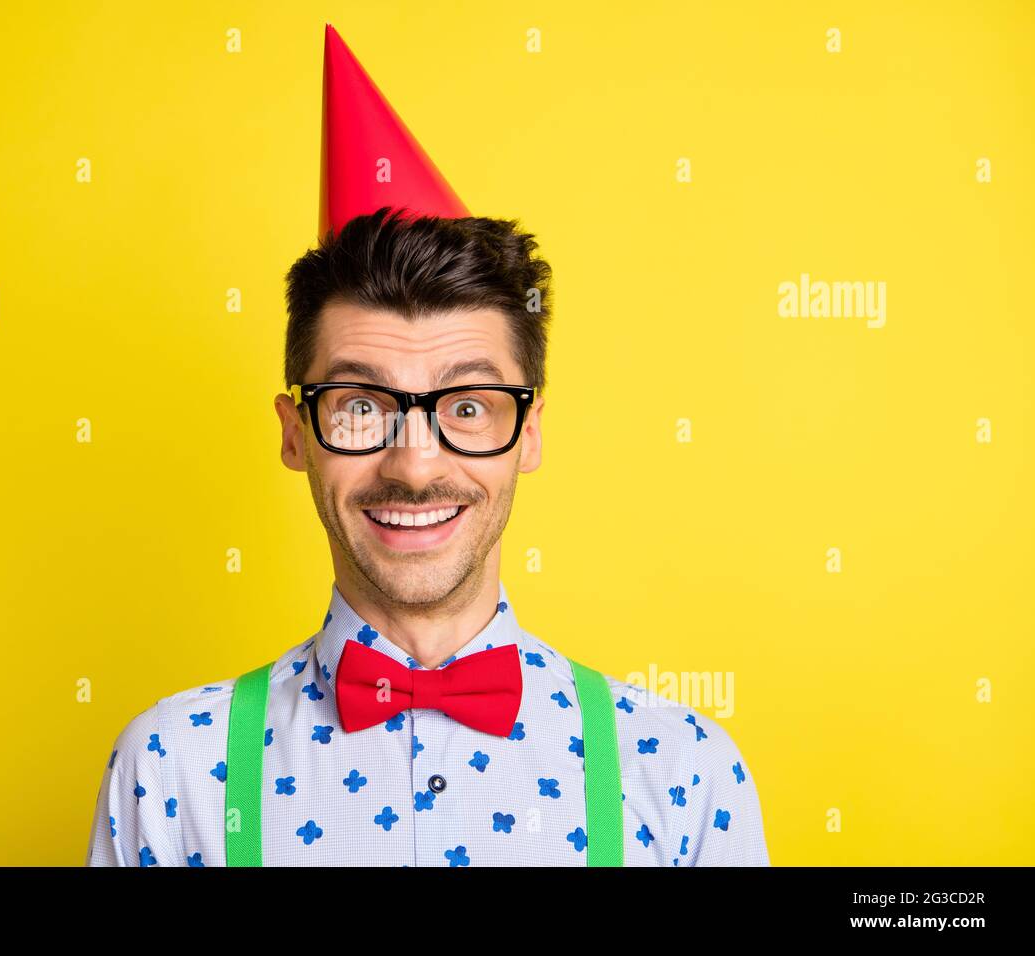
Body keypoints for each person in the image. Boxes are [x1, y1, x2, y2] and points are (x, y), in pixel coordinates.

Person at [84, 23, 769, 867]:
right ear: (296, 434)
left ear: (531, 432)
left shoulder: (684, 775)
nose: (414, 464)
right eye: (362, 405)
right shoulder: (172, 771)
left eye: (469, 407)